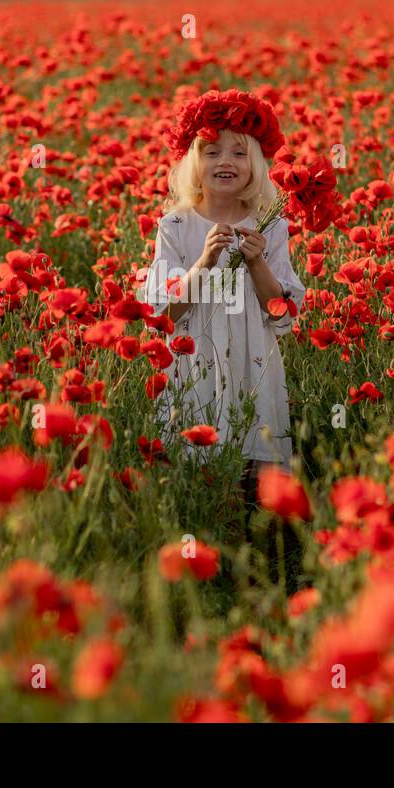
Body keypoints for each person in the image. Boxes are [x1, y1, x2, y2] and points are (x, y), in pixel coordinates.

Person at [138, 89, 307, 591]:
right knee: (202, 465)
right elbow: (164, 312)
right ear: (193, 163)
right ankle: (201, 573)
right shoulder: (175, 227)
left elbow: (282, 314)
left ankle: (258, 574)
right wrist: (203, 263)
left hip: (254, 364)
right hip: (196, 365)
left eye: (238, 152)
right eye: (211, 152)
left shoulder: (270, 228)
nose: (225, 161)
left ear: (255, 163)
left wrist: (257, 263)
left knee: (255, 465)